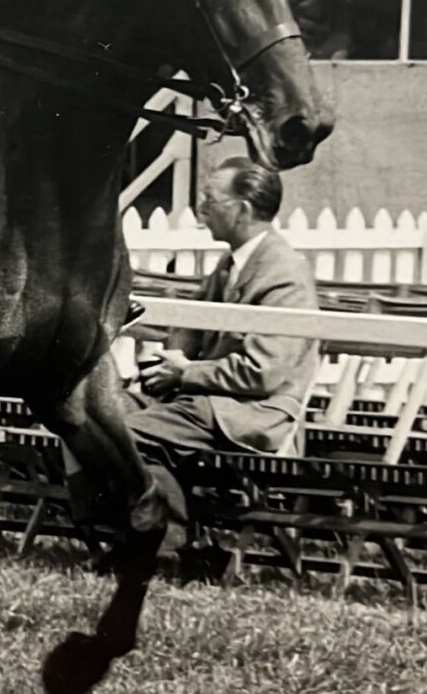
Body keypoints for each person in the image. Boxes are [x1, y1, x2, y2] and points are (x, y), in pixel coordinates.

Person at [65, 157, 320, 541]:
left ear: (243, 210)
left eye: (210, 198)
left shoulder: (283, 274)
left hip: (252, 413)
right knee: (84, 419)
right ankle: (104, 532)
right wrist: (168, 362)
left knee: (124, 436)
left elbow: (263, 372)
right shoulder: (232, 263)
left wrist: (185, 372)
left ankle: (163, 546)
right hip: (202, 402)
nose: (201, 207)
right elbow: (188, 331)